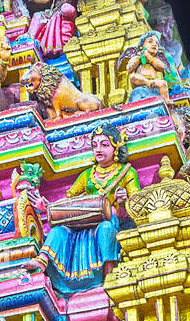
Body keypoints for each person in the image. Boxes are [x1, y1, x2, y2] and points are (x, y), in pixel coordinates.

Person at [29, 123, 140, 294]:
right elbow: (68, 201)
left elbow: (138, 204)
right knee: (59, 231)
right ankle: (42, 261)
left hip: (108, 221)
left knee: (105, 229)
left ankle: (108, 275)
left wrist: (124, 200)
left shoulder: (126, 173)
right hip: (82, 223)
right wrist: (47, 208)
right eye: (95, 145)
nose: (98, 149)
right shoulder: (87, 175)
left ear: (115, 148)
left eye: (104, 145)